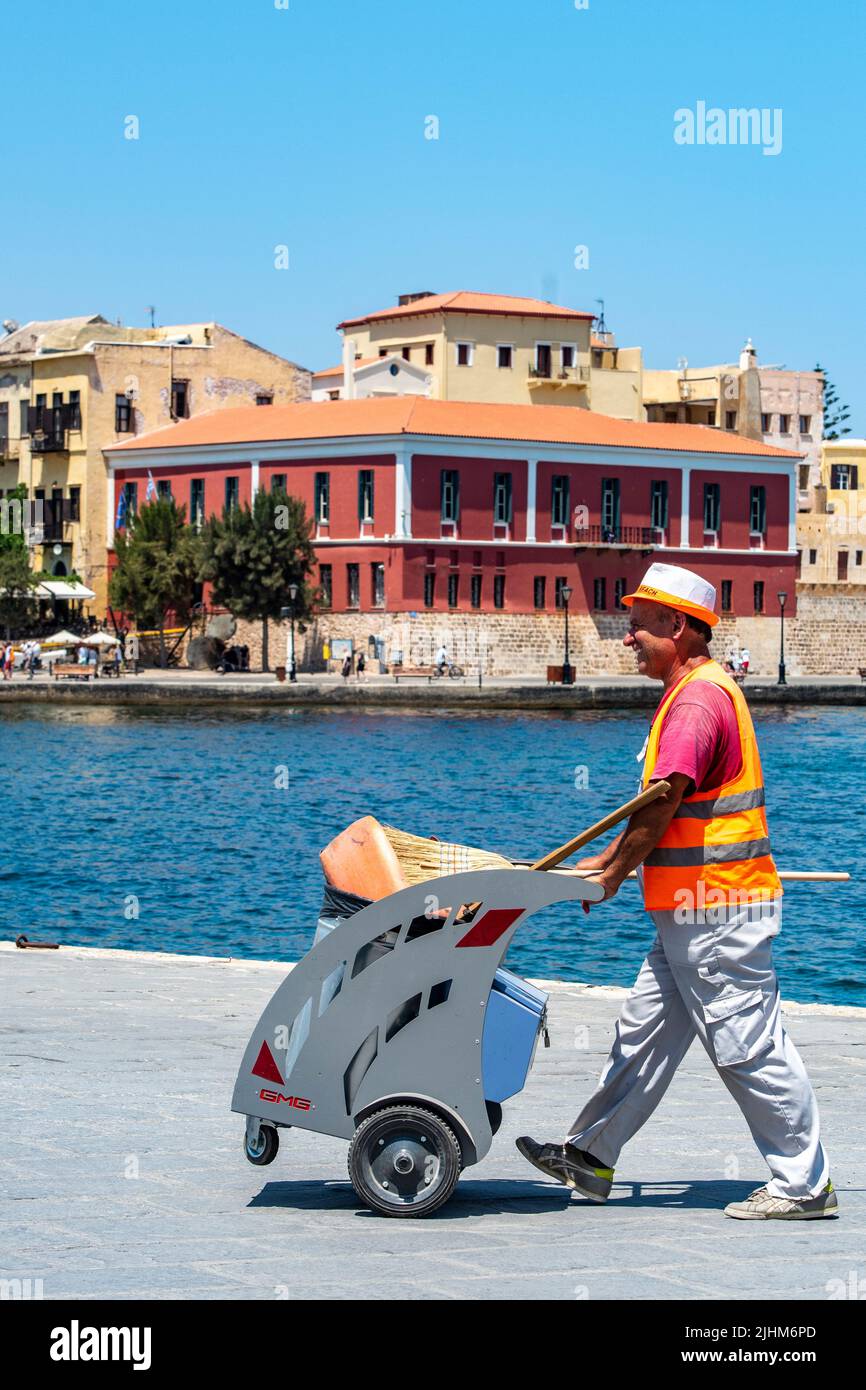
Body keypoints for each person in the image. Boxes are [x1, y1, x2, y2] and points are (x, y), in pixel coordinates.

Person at [516, 561, 835, 1221]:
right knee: (644, 1035)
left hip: (716, 907)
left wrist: (608, 875)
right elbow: (656, 813)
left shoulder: (694, 701)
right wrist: (610, 860)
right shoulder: (698, 690)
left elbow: (661, 807)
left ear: (680, 628)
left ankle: (804, 1185)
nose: (627, 637)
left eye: (639, 626)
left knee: (746, 1042)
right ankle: (591, 1154)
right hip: (691, 911)